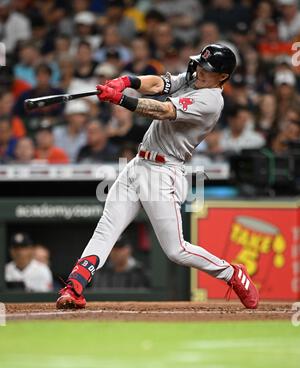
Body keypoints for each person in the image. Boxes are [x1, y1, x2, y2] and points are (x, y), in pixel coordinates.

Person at [56, 44, 259, 310]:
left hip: (164, 172)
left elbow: (162, 110)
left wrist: (121, 99)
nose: (199, 70)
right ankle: (74, 287)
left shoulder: (211, 100)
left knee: (176, 250)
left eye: (207, 69)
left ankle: (231, 273)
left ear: (223, 76)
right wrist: (127, 81)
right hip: (138, 163)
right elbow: (158, 84)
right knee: (106, 229)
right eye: (200, 64)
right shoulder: (193, 79)